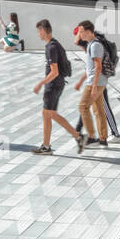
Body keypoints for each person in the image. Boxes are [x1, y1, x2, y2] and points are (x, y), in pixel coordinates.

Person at [32, 18, 85, 155]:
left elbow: (54, 72)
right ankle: (73, 138)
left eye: (39, 31)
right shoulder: (55, 44)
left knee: (48, 114)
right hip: (58, 84)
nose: (38, 34)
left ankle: (74, 137)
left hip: (53, 85)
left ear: (43, 31)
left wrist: (40, 83)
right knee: (49, 114)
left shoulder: (51, 47)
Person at [73, 21, 120, 141]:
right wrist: (81, 81)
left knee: (98, 107)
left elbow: (97, 67)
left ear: (87, 32)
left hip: (98, 82)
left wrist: (94, 85)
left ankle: (114, 134)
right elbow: (91, 68)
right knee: (93, 108)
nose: (79, 35)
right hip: (96, 81)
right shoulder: (90, 45)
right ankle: (99, 137)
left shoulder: (94, 45)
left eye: (81, 32)